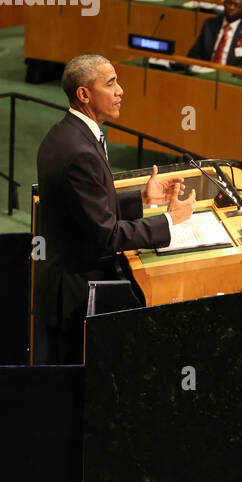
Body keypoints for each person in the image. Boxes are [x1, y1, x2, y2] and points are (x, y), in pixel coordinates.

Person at [34, 54, 196, 363]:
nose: (120, 90)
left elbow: (84, 209)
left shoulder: (66, 133)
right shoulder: (81, 151)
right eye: (110, 84)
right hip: (76, 294)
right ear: (84, 94)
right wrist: (170, 221)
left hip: (65, 281)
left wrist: (143, 199)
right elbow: (106, 235)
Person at [187, 0, 242, 71]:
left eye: (236, 5)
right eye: (229, 3)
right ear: (224, 3)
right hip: (206, 72)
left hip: (233, 77)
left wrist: (233, 72)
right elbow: (194, 54)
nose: (231, 7)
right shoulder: (210, 24)